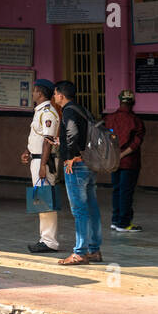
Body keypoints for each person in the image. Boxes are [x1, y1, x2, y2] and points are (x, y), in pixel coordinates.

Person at [52, 81, 102, 265]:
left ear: (61, 95)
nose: (55, 97)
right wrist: (62, 142)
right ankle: (94, 250)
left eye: (55, 94)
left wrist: (72, 156)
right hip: (89, 164)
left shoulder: (68, 111)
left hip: (77, 166)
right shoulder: (83, 110)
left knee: (79, 209)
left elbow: (72, 133)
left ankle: (80, 252)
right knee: (92, 207)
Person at [20, 79, 60, 254]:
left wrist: (43, 165)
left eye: (35, 91)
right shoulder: (40, 112)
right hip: (37, 159)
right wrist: (29, 151)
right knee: (42, 199)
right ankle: (45, 239)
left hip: (43, 161)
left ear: (41, 93)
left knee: (45, 200)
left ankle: (49, 241)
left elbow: (48, 142)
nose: (32, 94)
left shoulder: (48, 113)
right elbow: (38, 138)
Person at [104, 89, 145, 232]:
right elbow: (136, 143)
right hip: (130, 162)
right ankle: (124, 223)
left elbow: (105, 139)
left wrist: (115, 156)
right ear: (132, 103)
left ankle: (115, 220)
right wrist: (122, 155)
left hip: (114, 161)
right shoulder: (136, 121)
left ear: (120, 101)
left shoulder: (109, 118)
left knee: (116, 190)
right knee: (126, 192)